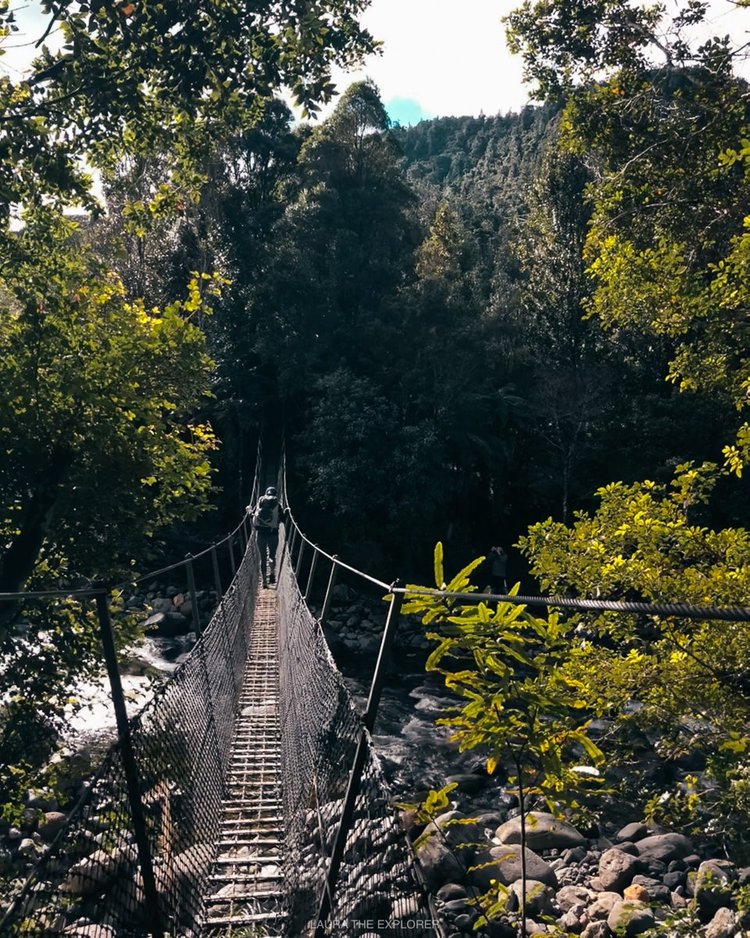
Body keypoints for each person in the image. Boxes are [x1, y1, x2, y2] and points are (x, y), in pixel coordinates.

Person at [247, 485, 284, 588]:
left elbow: (252, 516)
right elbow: (283, 520)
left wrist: (249, 510)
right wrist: (287, 513)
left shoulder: (260, 503)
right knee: (272, 556)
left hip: (261, 534)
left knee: (263, 558)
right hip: (273, 534)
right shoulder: (277, 504)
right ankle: (272, 572)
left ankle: (264, 581)